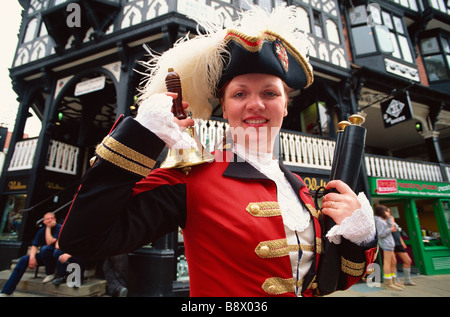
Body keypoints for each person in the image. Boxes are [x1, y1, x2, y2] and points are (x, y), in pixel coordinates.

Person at [59, 5, 377, 297]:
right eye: (240, 94)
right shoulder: (191, 178)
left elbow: (333, 282)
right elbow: (84, 239)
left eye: (270, 92)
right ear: (224, 108)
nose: (256, 104)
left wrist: (360, 235)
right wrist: (141, 135)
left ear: (284, 106)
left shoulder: (300, 190)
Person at [1, 212, 61, 296]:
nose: (50, 220)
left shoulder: (59, 228)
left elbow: (49, 242)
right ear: (44, 221)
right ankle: (7, 291)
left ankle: (50, 273)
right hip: (44, 257)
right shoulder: (41, 231)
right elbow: (34, 245)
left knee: (45, 249)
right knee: (23, 260)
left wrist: (48, 228)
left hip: (56, 257)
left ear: (55, 219)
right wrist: (32, 258)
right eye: (48, 219)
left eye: (52, 218)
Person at [374, 205, 403, 291]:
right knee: (387, 263)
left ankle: (393, 281)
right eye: (386, 211)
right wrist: (390, 229)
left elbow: (391, 226)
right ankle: (388, 283)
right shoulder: (379, 221)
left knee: (393, 262)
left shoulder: (384, 220)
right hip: (386, 244)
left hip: (390, 243)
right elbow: (381, 234)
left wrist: (390, 218)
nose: (388, 213)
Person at [387, 208, 416, 286]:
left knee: (408, 261)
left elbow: (397, 232)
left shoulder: (393, 221)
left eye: (390, 212)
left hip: (398, 244)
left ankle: (407, 280)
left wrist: (402, 242)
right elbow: (392, 229)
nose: (389, 213)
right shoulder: (383, 221)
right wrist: (392, 219)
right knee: (393, 262)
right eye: (387, 212)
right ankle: (395, 279)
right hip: (390, 244)